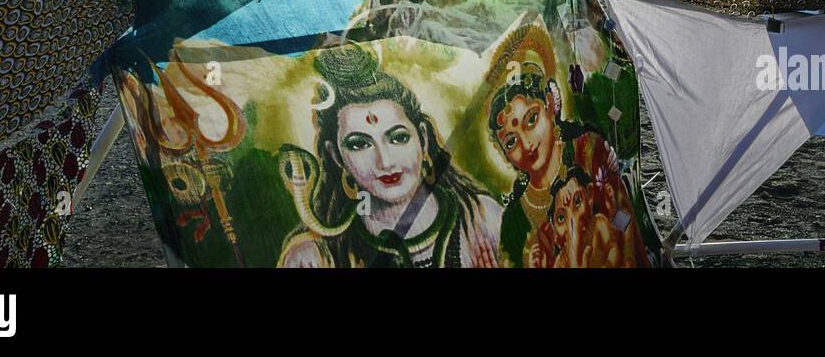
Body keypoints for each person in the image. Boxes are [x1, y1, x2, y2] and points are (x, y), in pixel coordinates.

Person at [278, 43, 502, 268]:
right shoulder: (312, 257)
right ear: (336, 156)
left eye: (398, 138)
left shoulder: (481, 219)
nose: (384, 161)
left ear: (422, 139)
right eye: (359, 145)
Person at [483, 18, 648, 267]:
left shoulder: (588, 150)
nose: (526, 144)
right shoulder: (514, 218)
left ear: (550, 105)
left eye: (531, 120)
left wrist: (617, 241)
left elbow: (624, 215)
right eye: (510, 142)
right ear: (503, 153)